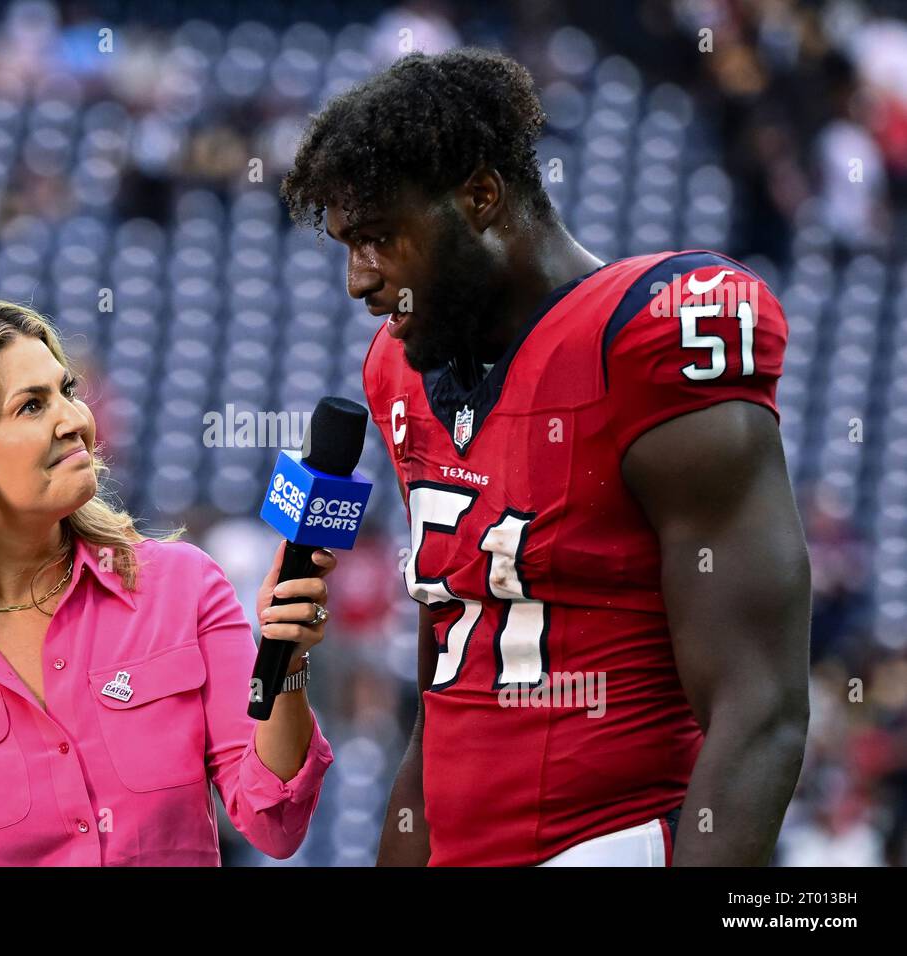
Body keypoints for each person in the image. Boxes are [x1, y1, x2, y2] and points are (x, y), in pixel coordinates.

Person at [281, 47, 811, 866]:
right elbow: (447, 688)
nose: (360, 280)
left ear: (481, 197)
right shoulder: (401, 370)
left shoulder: (653, 336)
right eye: (350, 246)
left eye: (381, 240)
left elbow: (760, 705)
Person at [0, 297, 335, 865]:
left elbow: (273, 821)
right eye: (32, 406)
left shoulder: (184, 586)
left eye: (68, 392)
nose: (76, 420)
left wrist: (286, 661)